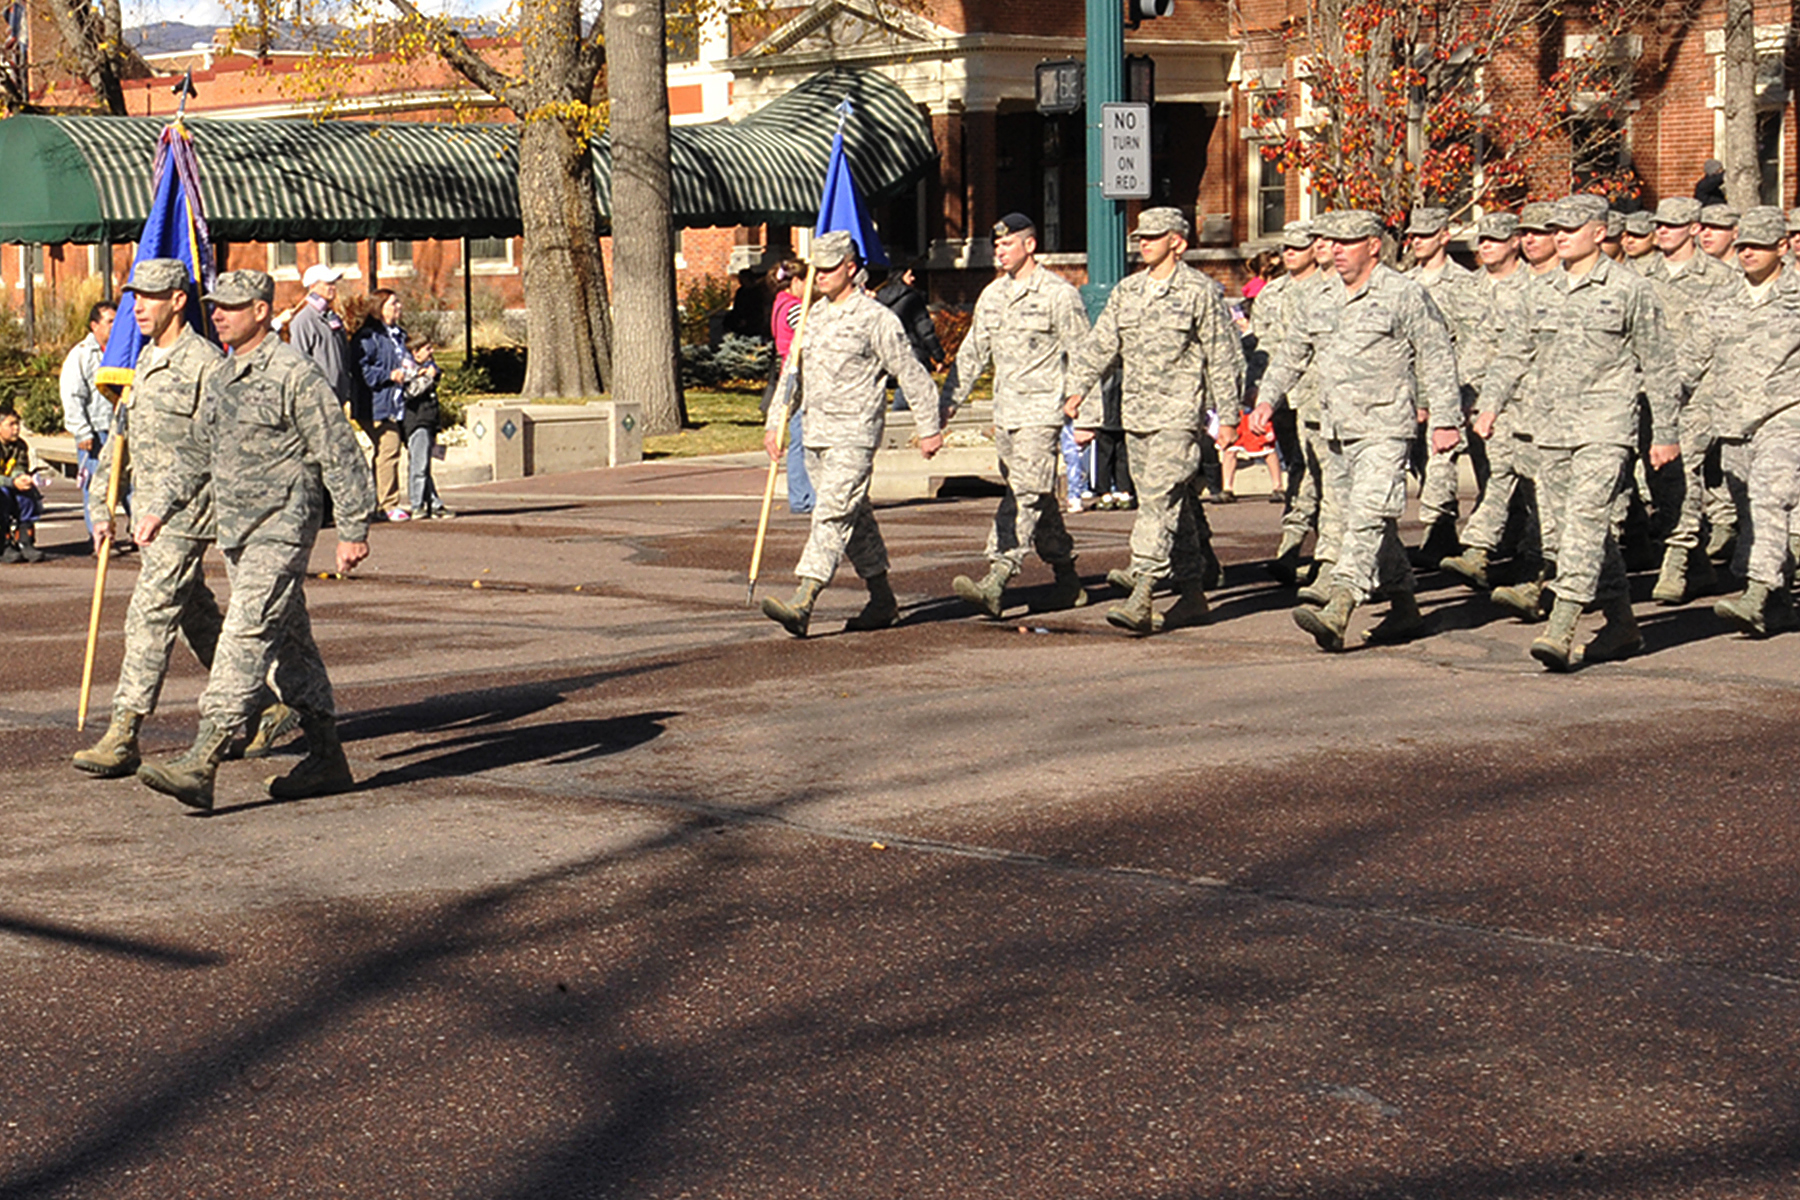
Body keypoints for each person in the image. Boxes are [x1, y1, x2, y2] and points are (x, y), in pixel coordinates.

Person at [131, 269, 376, 810]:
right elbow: (196, 450)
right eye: (214, 305)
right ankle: (327, 755)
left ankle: (203, 756)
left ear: (262, 310)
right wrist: (158, 508)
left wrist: (354, 529)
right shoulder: (224, 375)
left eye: (231, 306)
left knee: (244, 632)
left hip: (282, 526)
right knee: (290, 641)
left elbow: (340, 452)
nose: (217, 314)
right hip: (238, 530)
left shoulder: (294, 374)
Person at [1482, 193, 1681, 671]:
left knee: (1589, 519)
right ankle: (1621, 623)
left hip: (1605, 424)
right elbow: (1513, 354)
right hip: (1549, 427)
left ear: (1599, 232)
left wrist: (1666, 432)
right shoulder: (1539, 291)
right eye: (1557, 228)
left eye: (1572, 227)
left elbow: (1659, 364)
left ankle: (1563, 622)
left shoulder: (1630, 289)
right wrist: (1490, 404)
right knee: (1570, 529)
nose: (1562, 235)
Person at [1250, 209, 1463, 651]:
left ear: (1373, 244)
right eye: (1331, 242)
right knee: (1363, 523)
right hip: (1336, 429)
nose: (1336, 251)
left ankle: (1341, 604)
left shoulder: (1403, 293)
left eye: (1346, 243)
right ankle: (1404, 607)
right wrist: (1267, 398)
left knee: (1367, 515)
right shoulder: (1320, 297)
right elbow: (1291, 353)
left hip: (1386, 427)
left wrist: (1445, 418)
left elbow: (1437, 357)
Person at [71, 259, 229, 778]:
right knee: (194, 614)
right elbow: (119, 444)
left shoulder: (205, 363)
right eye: (134, 297)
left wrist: (167, 503)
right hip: (147, 515)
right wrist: (99, 510)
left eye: (151, 297)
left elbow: (217, 444)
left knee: (150, 613)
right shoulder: (140, 362)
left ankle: (124, 731)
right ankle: (266, 700)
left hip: (185, 512)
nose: (138, 307)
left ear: (178, 300)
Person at [1065, 207, 1245, 635]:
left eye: (1153, 236)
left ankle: (1142, 589)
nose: (1142, 242)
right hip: (1137, 418)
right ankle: (1192, 593)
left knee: (1159, 501)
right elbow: (1100, 344)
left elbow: (1223, 357)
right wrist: (1078, 389)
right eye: (1141, 235)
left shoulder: (1201, 292)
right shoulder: (1128, 292)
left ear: (1177, 242)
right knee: (1168, 506)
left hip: (1178, 417)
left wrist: (1230, 417)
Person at [758, 231, 944, 637]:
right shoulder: (814, 315)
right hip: (816, 433)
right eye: (815, 269)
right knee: (854, 518)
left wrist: (929, 426)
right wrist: (776, 420)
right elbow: (792, 374)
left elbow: (910, 373)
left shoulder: (875, 318)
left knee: (831, 513)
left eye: (827, 268)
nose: (819, 276)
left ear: (850, 267)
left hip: (855, 434)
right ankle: (882, 599)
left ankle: (804, 599)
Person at [941, 211, 1092, 618]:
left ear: (1030, 244)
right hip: (1007, 413)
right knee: (1037, 495)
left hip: (1042, 412)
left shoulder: (1059, 294)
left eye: (1007, 244)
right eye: (996, 245)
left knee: (1023, 494)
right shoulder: (993, 295)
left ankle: (999, 574)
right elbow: (973, 352)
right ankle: (1068, 579)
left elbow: (1084, 354)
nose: (999, 251)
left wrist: (1086, 412)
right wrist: (948, 401)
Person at [1677, 207, 1800, 635]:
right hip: (1733, 422)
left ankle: (1757, 590)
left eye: (1759, 246)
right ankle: (1781, 602)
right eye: (1743, 245)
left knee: (1769, 496)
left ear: (1782, 247)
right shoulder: (1721, 299)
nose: (1747, 253)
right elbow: (1691, 359)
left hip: (1787, 416)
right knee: (1751, 510)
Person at [1441, 209, 1552, 594]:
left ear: (1514, 243)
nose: (1485, 247)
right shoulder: (1467, 288)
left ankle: (1531, 558)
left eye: (1493, 240)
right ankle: (1489, 550)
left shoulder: (1536, 286)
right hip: (1485, 397)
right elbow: (1464, 343)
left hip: (1536, 401)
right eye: (1480, 241)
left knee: (1533, 483)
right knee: (1499, 474)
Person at [1639, 195, 1742, 604]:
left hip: (1703, 394)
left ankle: (1677, 559)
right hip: (1654, 391)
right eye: (1659, 224)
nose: (1662, 230)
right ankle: (1698, 565)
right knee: (1659, 477)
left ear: (1694, 229)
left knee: (1686, 471)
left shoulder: (1721, 279)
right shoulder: (1641, 277)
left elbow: (1731, 339)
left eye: (1672, 225)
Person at [1403, 206, 1494, 567]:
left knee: (1450, 460)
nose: (1418, 242)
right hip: (1411, 388)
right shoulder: (1405, 282)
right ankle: (1445, 528)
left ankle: (1442, 530)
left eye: (1425, 235)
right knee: (1422, 463)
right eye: (1414, 236)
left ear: (1444, 236)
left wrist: (1459, 393)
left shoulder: (1464, 284)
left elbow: (1474, 340)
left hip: (1454, 387)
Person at [1255, 220, 1338, 589]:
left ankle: (1299, 549)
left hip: (1320, 399)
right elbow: (1261, 347)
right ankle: (1324, 551)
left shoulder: (1331, 291)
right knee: (1301, 472)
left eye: (1297, 247)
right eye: (1284, 248)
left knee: (1317, 473)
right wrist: (1260, 395)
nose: (1288, 253)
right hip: (1281, 399)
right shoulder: (1271, 294)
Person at [60, 301, 119, 546]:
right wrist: (81, 430)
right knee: (95, 485)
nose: (115, 326)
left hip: (120, 429)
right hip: (95, 431)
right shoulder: (82, 354)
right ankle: (96, 533)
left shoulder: (121, 350)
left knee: (129, 484)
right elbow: (72, 393)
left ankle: (139, 532)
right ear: (94, 325)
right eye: (109, 321)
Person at [352, 288, 413, 520]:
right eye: (393, 303)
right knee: (389, 447)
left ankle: (376, 502)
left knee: (386, 450)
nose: (398, 307)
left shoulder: (399, 334)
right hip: (374, 403)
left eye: (398, 303)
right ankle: (387, 504)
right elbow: (360, 369)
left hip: (395, 402)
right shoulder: (368, 337)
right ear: (380, 308)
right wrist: (389, 374)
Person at [767, 259, 814, 514]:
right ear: (796, 282)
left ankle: (804, 494)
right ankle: (803, 495)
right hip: (796, 371)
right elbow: (811, 332)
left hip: (793, 368)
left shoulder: (780, 304)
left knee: (800, 432)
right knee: (800, 434)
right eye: (806, 282)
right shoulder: (794, 308)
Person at [872, 258, 944, 411]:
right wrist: (938, 356)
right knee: (913, 395)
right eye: (909, 275)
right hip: (912, 351)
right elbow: (924, 328)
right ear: (901, 276)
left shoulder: (878, 299)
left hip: (886, 353)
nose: (913, 279)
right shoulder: (912, 298)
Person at [401, 338, 450, 519]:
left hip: (429, 420)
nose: (431, 351)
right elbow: (411, 392)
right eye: (427, 348)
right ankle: (417, 505)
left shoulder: (428, 367)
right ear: (415, 352)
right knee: (419, 466)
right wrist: (427, 376)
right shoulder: (407, 369)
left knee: (425, 465)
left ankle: (434, 503)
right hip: (416, 421)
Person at [0, 406, 47, 563]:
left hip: (9, 484)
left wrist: (21, 478)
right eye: (11, 425)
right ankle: (3, 544)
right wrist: (12, 482)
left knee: (27, 493)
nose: (16, 428)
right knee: (2, 495)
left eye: (17, 424)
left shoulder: (20, 445)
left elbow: (20, 467)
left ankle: (25, 541)